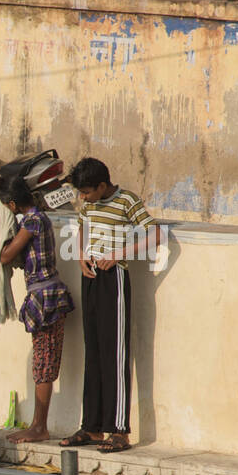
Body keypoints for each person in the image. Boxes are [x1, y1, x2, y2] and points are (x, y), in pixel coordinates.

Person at [60, 157, 156, 453]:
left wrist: (119, 254)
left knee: (115, 353)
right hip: (90, 276)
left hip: (113, 277)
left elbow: (154, 234)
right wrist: (80, 258)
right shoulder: (88, 204)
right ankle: (91, 427)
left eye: (87, 192)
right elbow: (82, 230)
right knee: (95, 351)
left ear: (102, 185)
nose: (83, 198)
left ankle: (119, 430)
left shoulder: (127, 200)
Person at [0, 176, 74, 444]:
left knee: (44, 363)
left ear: (12, 204)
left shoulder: (33, 220)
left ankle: (39, 427)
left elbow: (6, 255)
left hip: (46, 298)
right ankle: (37, 425)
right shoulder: (34, 218)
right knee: (43, 362)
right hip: (43, 295)